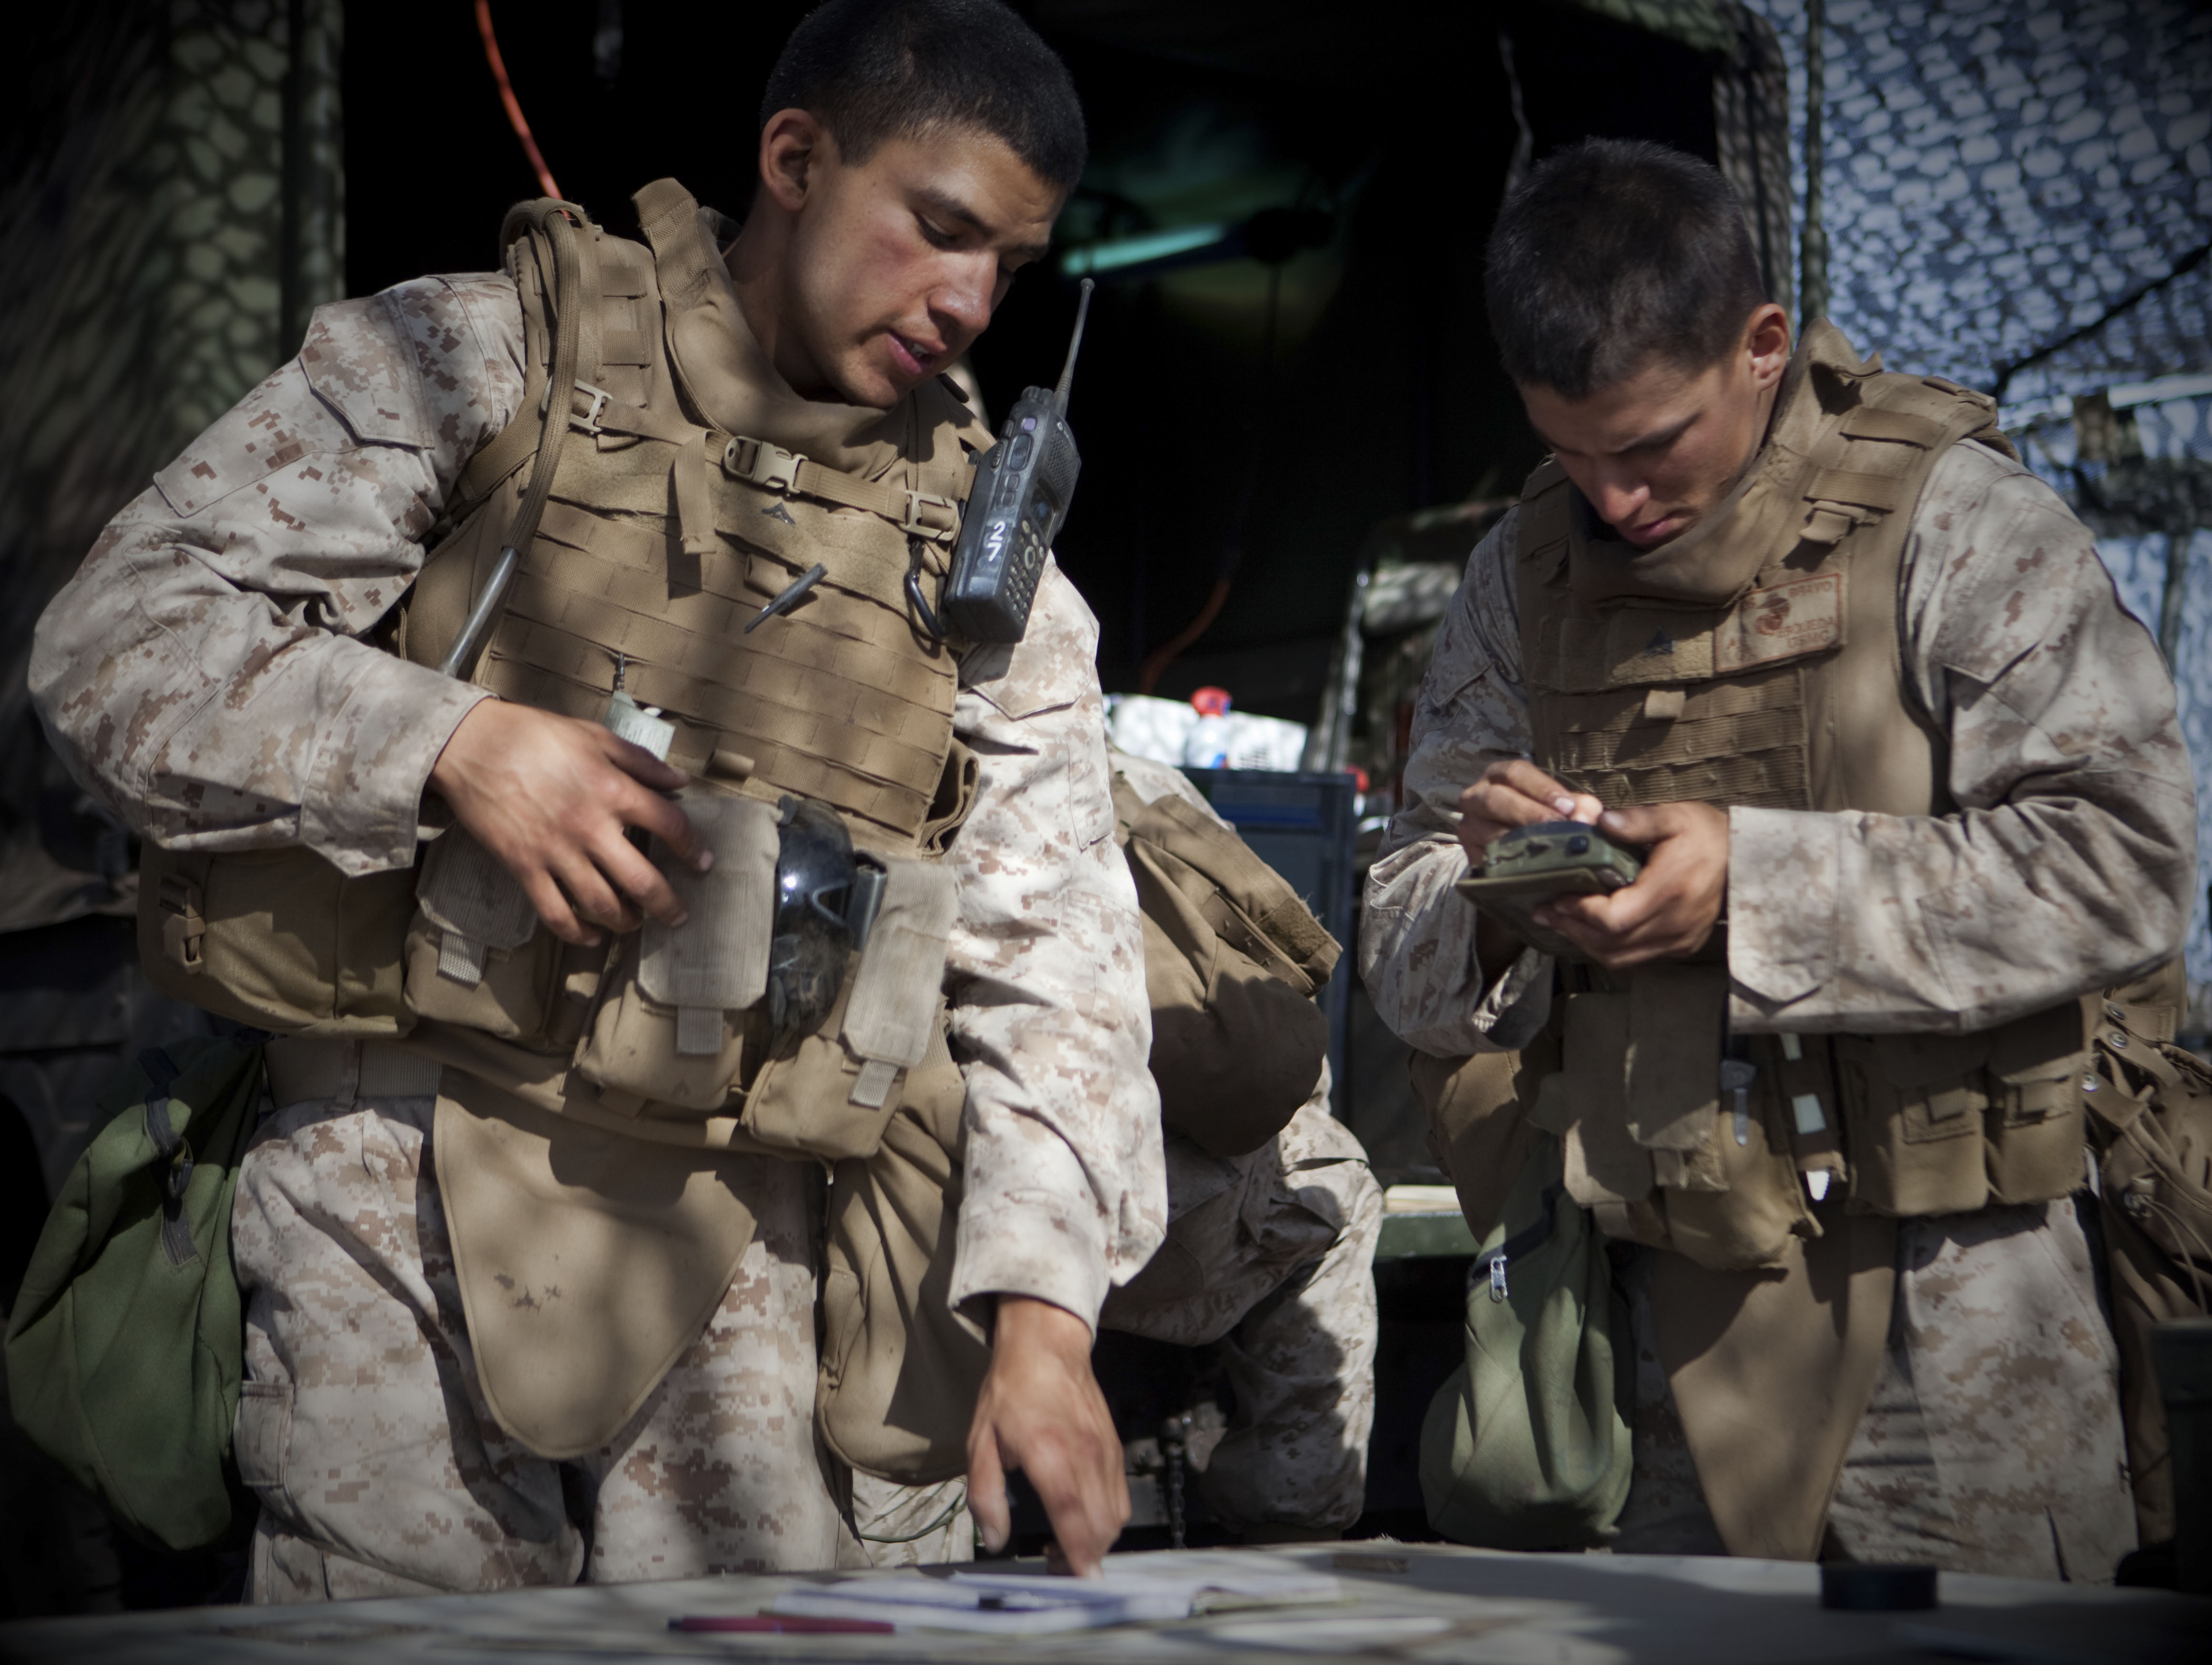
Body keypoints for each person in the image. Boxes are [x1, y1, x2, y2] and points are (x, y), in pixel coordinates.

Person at [31, 0, 1163, 1597]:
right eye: (937, 229)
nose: (969, 301)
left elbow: (1061, 954)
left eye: (1008, 266)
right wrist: (451, 745)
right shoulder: (482, 361)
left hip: (744, 1241)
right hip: (394, 1182)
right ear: (794, 160)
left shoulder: (975, 558)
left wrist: (1046, 1317)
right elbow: (115, 642)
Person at [1361, 138, 2193, 1579]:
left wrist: (1751, 886)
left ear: (1759, 347)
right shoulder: (1519, 577)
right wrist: (1501, 903)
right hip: (1640, 1338)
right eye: (1570, 454)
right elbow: (1403, 939)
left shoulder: (1953, 521)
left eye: (1650, 447)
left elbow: (2124, 864)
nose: (1613, 502)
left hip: (1956, 1333)